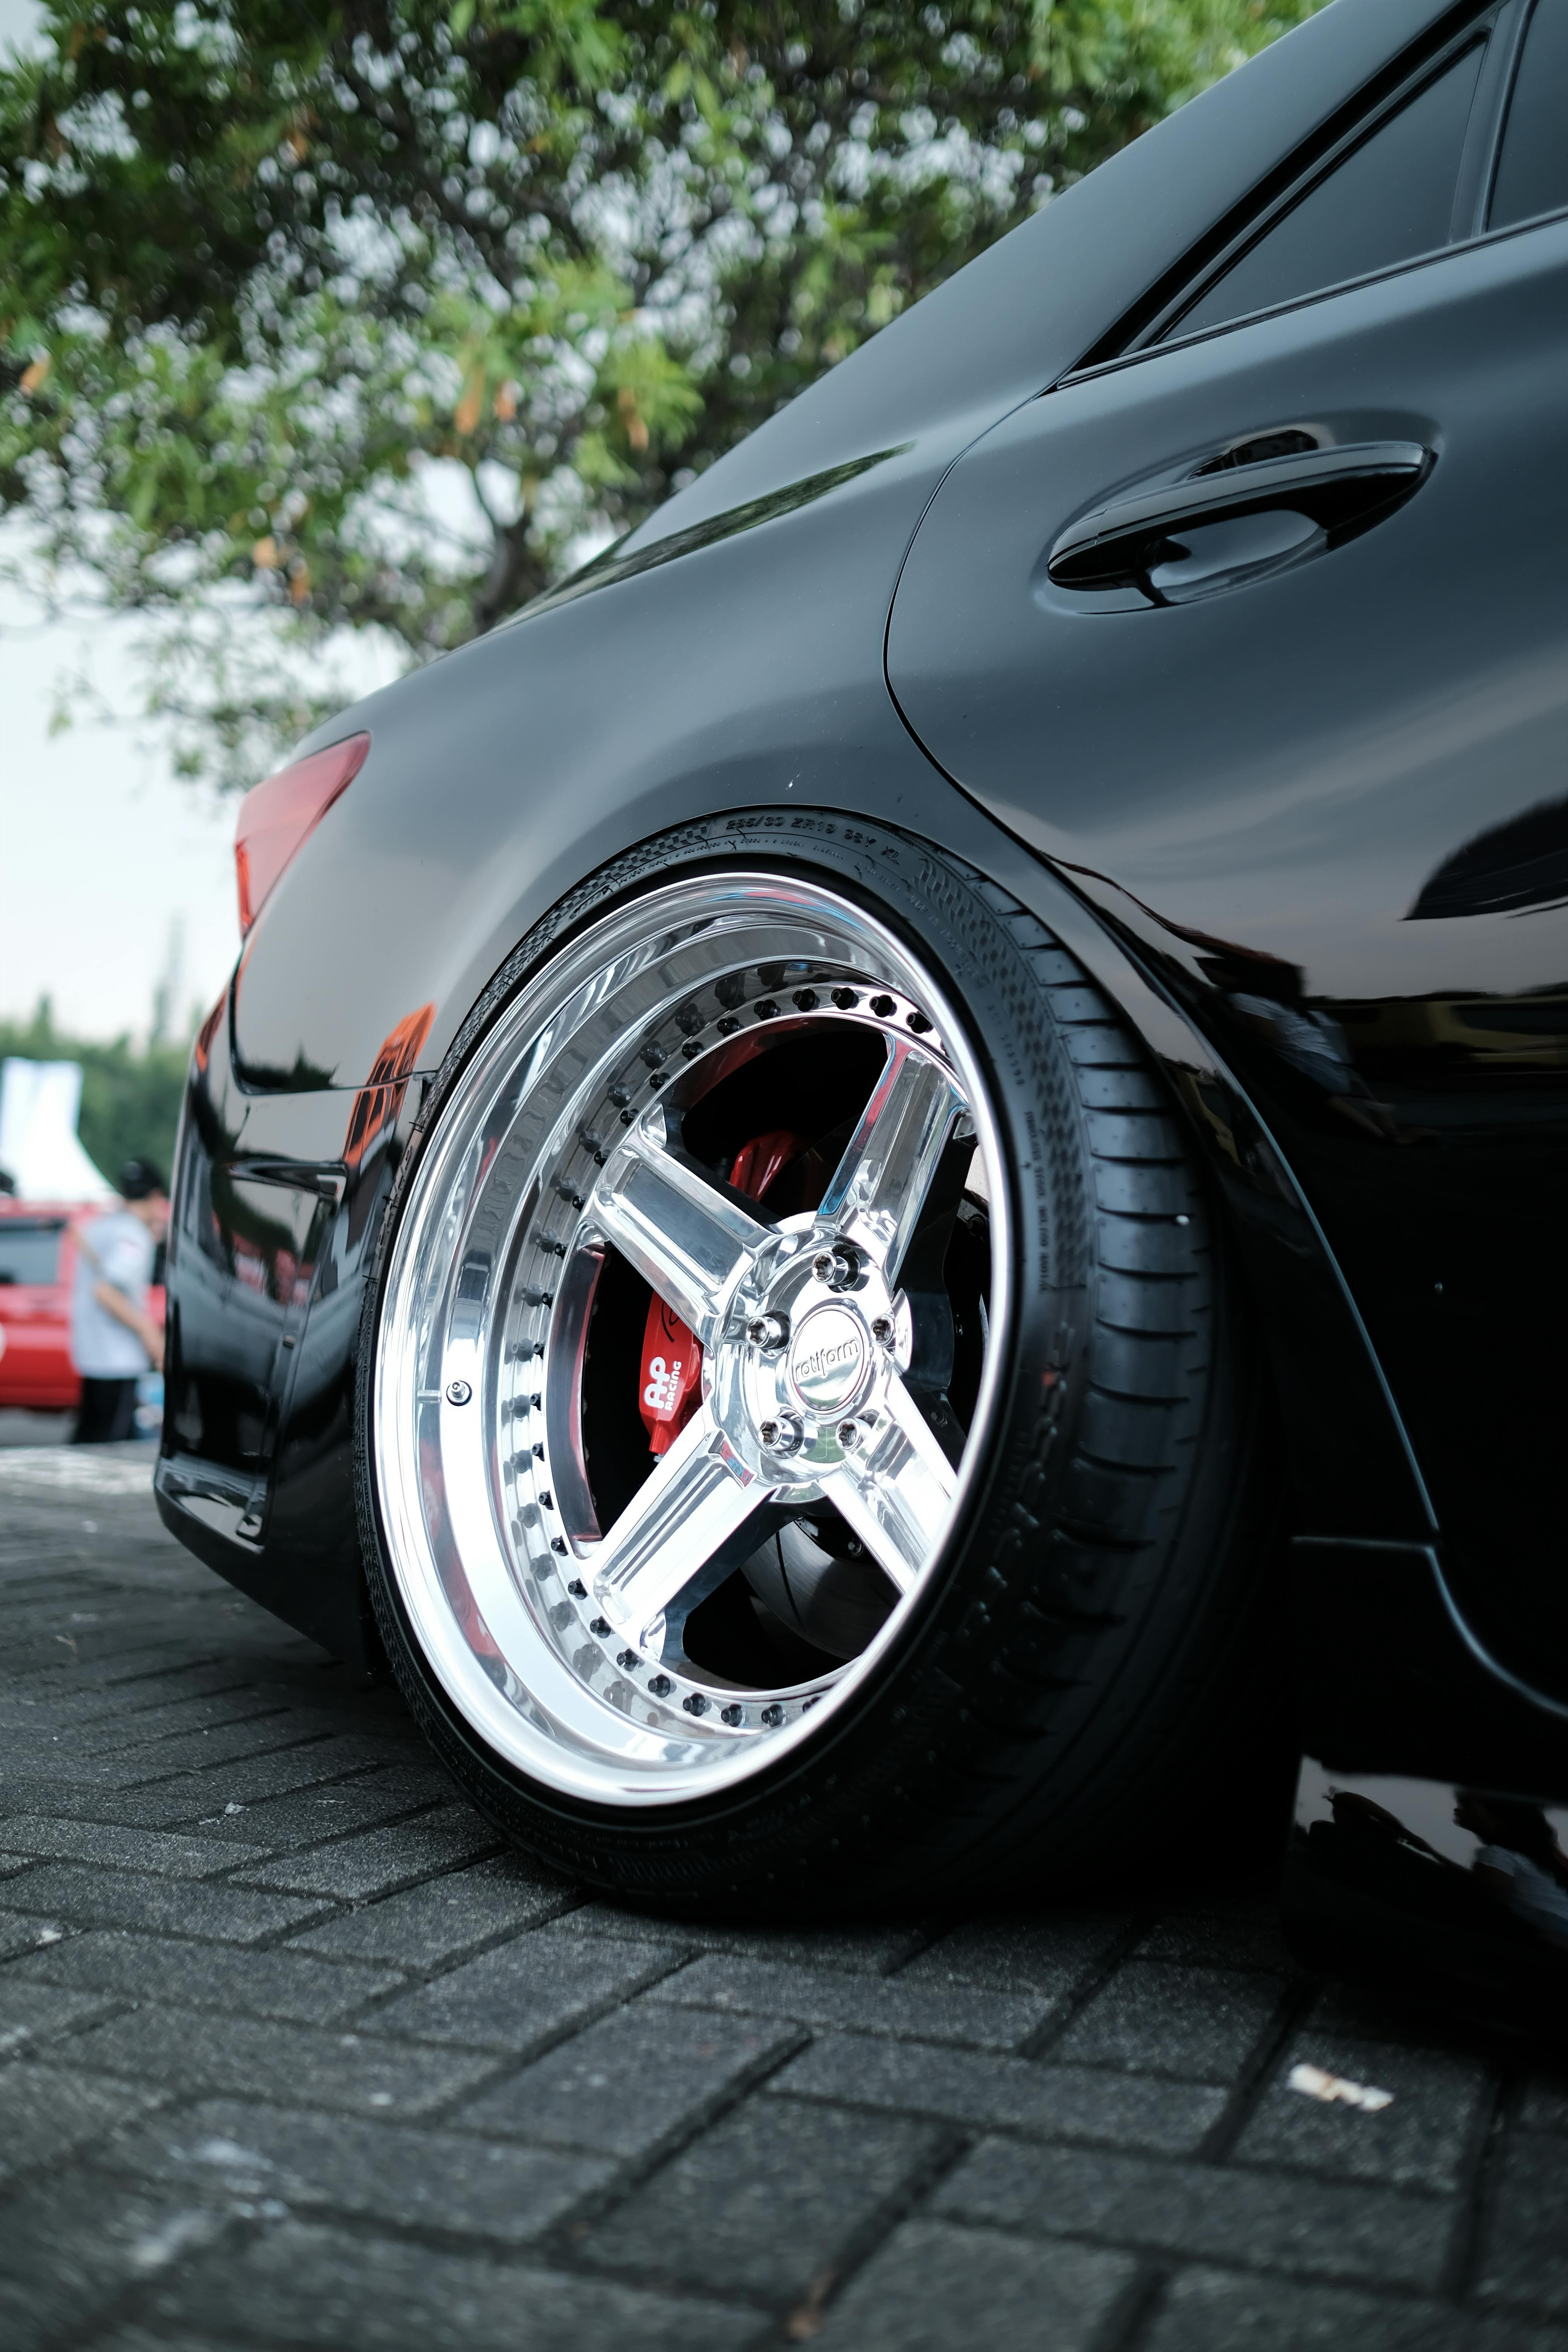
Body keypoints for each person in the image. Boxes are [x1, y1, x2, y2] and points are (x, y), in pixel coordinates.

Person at [69, 1159, 169, 1444]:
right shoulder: (134, 1237)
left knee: (91, 1436)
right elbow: (106, 1292)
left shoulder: (101, 1227)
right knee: (108, 1447)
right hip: (118, 1358)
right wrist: (148, 1330)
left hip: (92, 1353)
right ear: (155, 1198)